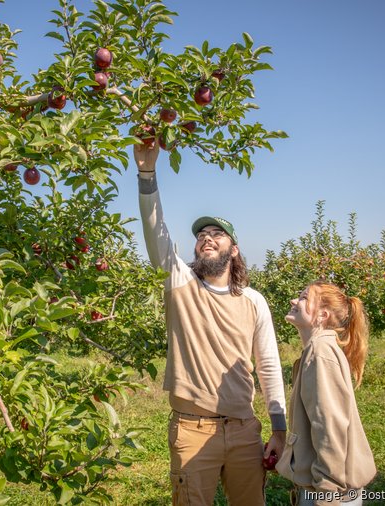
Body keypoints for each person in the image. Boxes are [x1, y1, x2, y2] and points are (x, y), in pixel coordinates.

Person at [134, 142, 287, 505]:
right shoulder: (180, 283)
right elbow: (156, 234)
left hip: (244, 430)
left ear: (234, 249)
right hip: (192, 428)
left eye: (217, 234)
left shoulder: (253, 300)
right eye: (202, 235)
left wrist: (279, 428)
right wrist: (147, 173)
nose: (206, 237)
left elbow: (268, 365)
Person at [275, 281, 377, 506]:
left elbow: (329, 427)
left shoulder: (320, 352)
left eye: (303, 298)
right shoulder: (318, 349)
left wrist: (327, 493)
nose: (294, 300)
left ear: (322, 315)